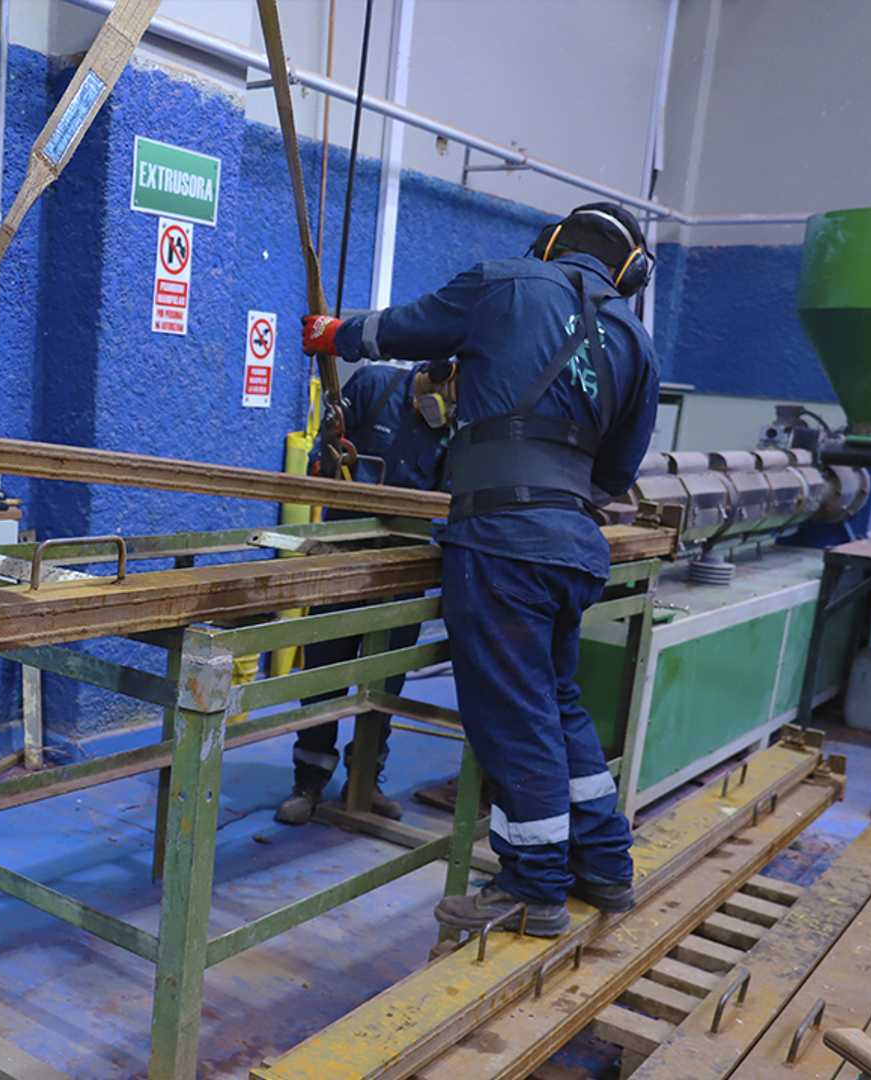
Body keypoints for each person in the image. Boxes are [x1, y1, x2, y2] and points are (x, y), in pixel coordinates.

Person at [301, 203, 660, 938]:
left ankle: (533, 888)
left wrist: (334, 333)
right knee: (558, 703)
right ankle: (606, 865)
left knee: (512, 713)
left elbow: (402, 329)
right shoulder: (636, 342)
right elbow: (619, 472)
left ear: (552, 243)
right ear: (629, 273)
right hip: (573, 547)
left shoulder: (505, 285)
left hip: (501, 541)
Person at [275, 359, 450, 826]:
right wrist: (329, 456)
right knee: (323, 673)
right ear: (435, 373)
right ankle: (308, 782)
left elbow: (450, 496)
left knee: (385, 679)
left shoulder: (457, 426)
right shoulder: (375, 384)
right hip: (344, 556)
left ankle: (365, 781)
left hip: (403, 566)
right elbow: (319, 459)